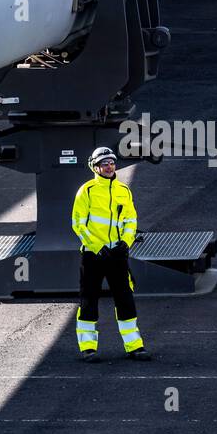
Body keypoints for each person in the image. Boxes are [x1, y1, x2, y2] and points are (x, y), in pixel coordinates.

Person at [71, 147, 150, 361]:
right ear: (95, 167)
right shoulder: (86, 190)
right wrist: (97, 247)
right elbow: (78, 224)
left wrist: (126, 242)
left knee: (125, 299)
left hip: (117, 254)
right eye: (104, 163)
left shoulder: (123, 190)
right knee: (89, 300)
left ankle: (134, 346)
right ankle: (88, 348)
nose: (109, 166)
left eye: (112, 162)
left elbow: (131, 220)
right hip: (92, 255)